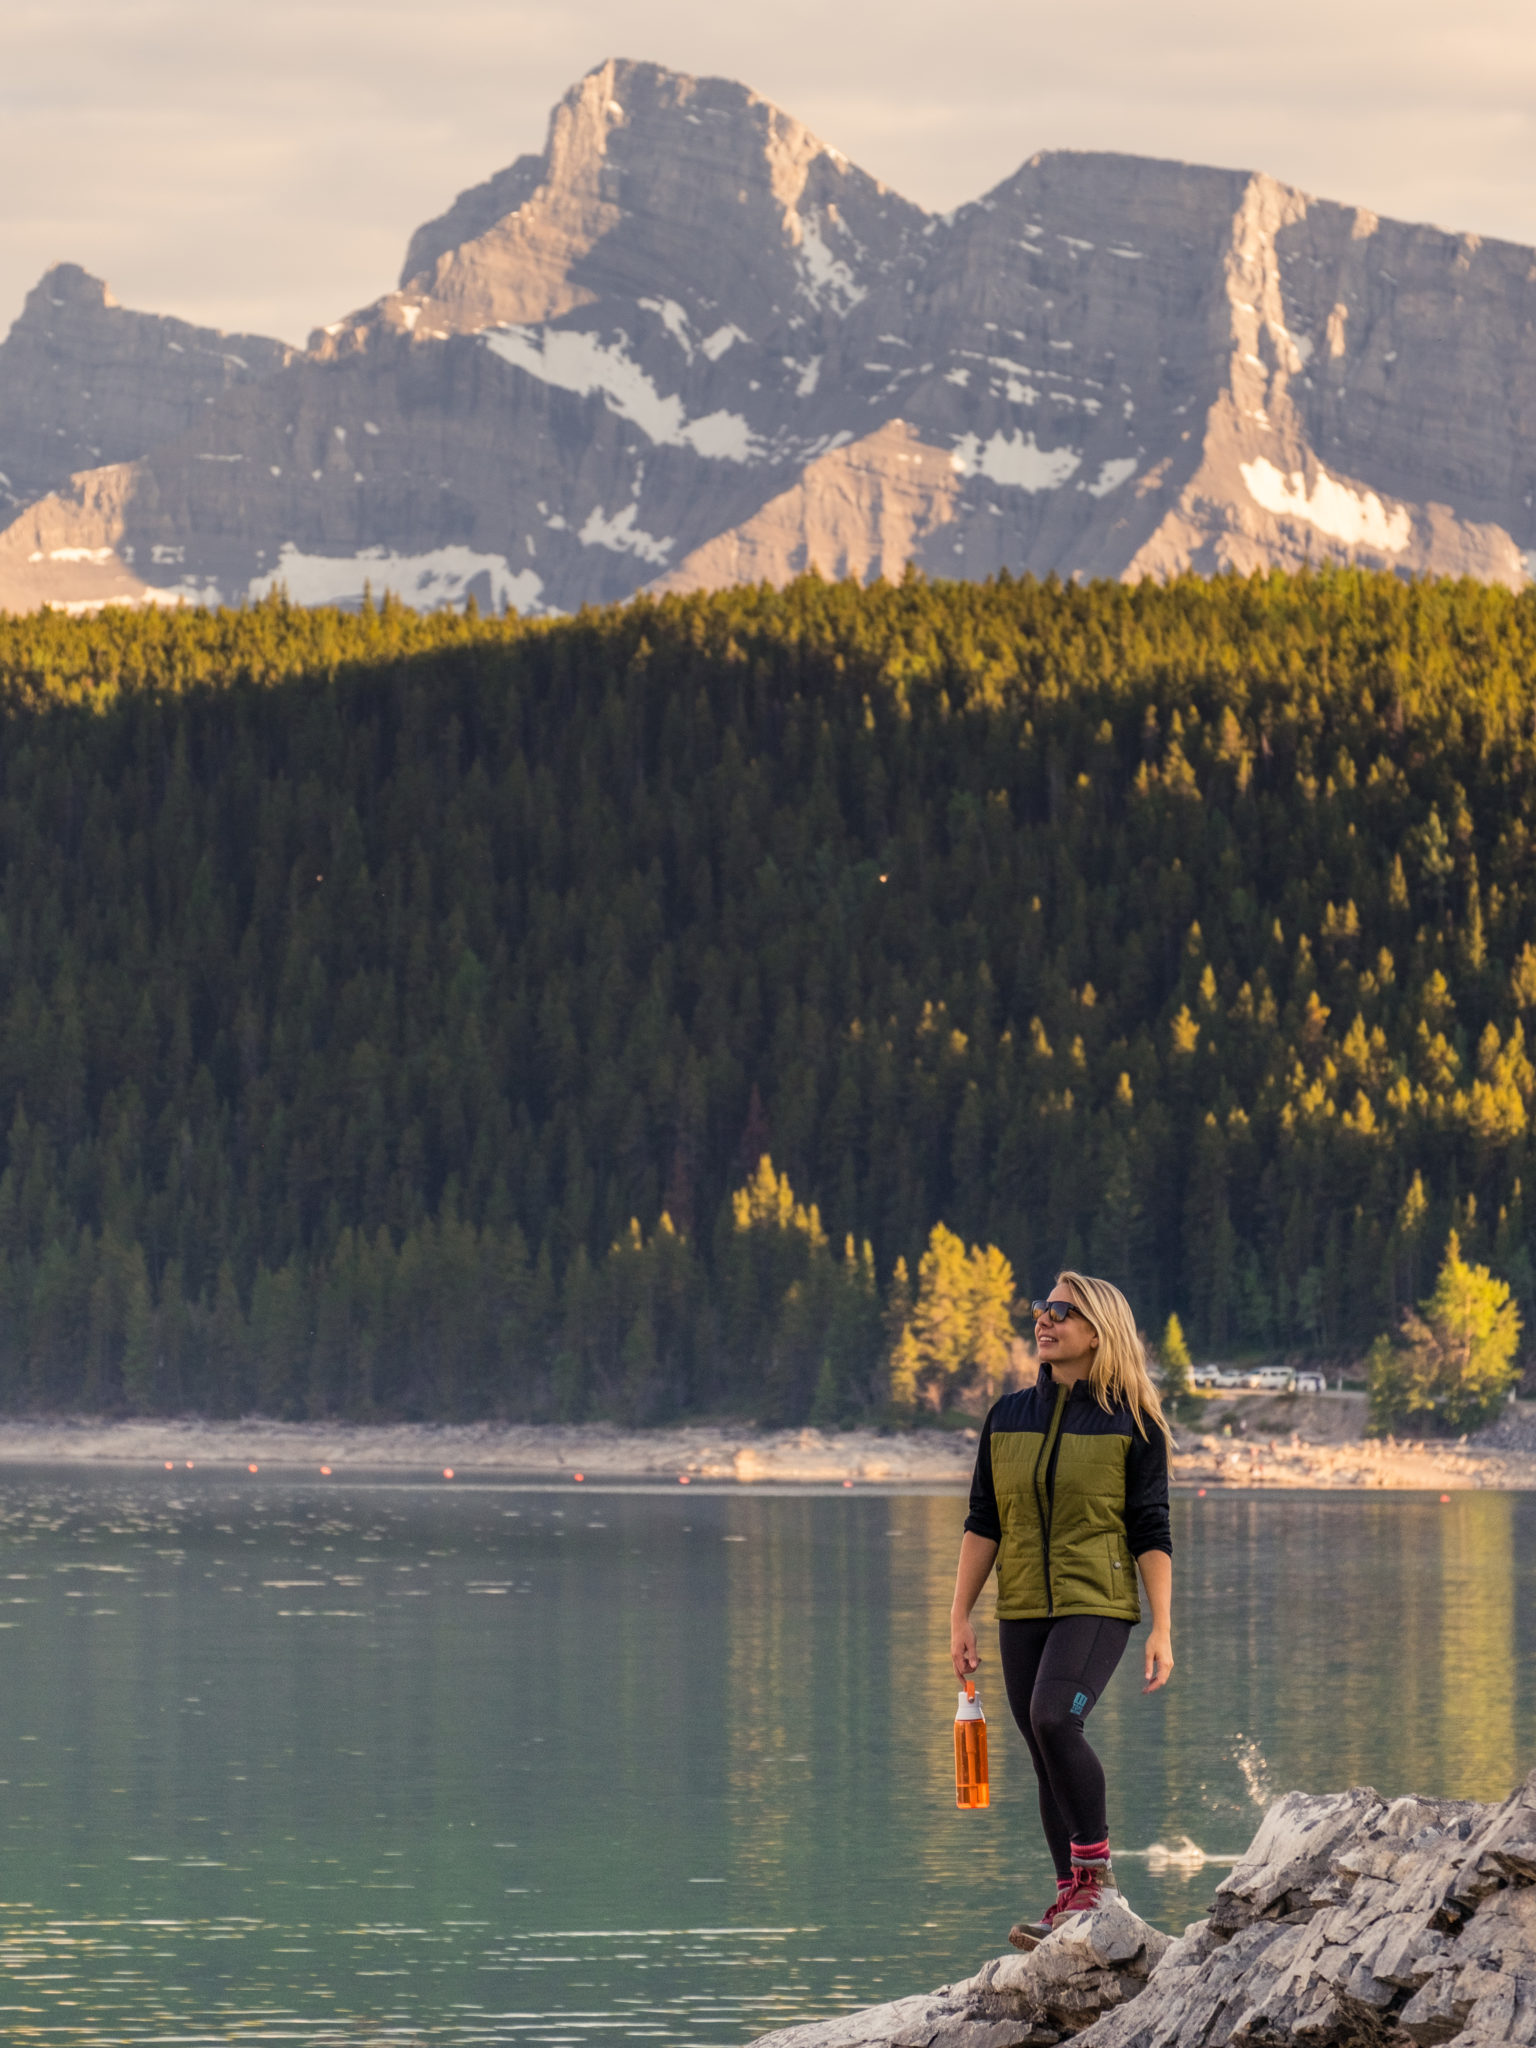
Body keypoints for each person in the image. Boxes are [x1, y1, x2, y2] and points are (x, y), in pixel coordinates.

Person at [949, 1270, 1174, 1947]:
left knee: (1055, 1718)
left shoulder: (1133, 1422)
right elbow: (983, 1521)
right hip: (1021, 1604)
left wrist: (1162, 1626)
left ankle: (1097, 1881)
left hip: (1096, 1601)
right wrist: (959, 1616)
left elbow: (1151, 1528)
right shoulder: (1007, 1415)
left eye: (1060, 1311)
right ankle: (1068, 1901)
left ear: (1098, 1332)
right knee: (1040, 1744)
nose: (1043, 1320)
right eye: (1041, 1309)